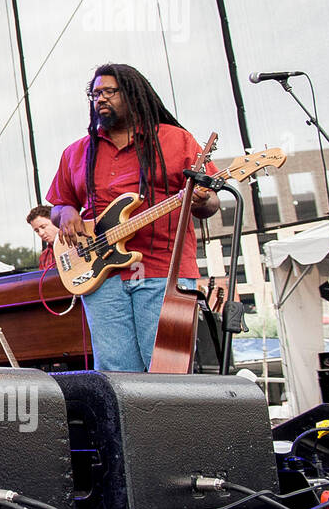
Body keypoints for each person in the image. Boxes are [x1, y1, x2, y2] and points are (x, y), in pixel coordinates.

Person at [47, 64, 218, 372]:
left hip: (164, 270)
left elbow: (210, 204)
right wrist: (68, 213)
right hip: (102, 275)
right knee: (116, 374)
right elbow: (59, 205)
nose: (100, 99)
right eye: (95, 93)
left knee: (168, 371)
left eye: (109, 92)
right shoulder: (77, 152)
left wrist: (201, 200)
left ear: (134, 95)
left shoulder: (176, 140)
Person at [26, 204, 59, 270]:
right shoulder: (44, 257)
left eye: (43, 227)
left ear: (56, 221)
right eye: (37, 230)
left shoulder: (79, 241)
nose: (41, 233)